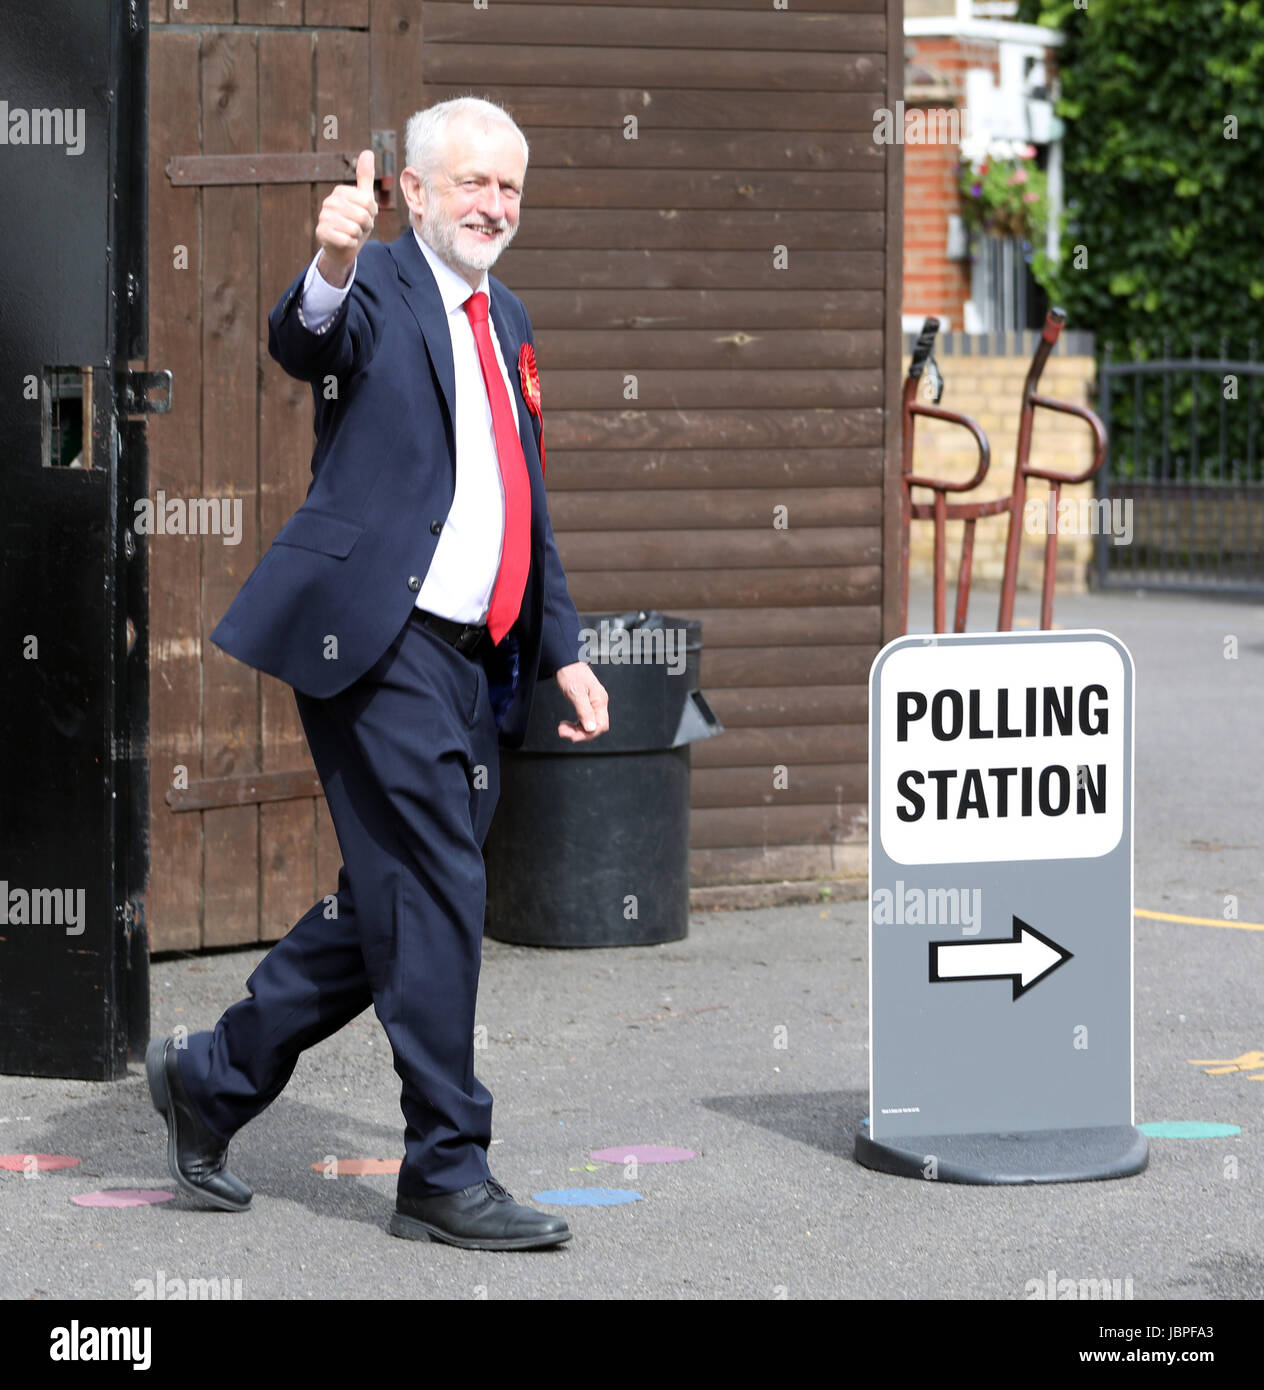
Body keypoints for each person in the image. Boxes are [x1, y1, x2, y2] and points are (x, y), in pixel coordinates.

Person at [146, 96, 609, 1251]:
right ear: (412, 190)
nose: (494, 205)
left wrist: (565, 650)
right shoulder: (378, 290)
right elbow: (307, 340)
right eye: (471, 184)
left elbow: (523, 504)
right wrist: (329, 257)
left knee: (390, 903)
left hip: (476, 661)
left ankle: (210, 1077)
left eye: (509, 186)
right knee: (442, 891)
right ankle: (445, 1171)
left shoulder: (510, 320)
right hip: (374, 645)